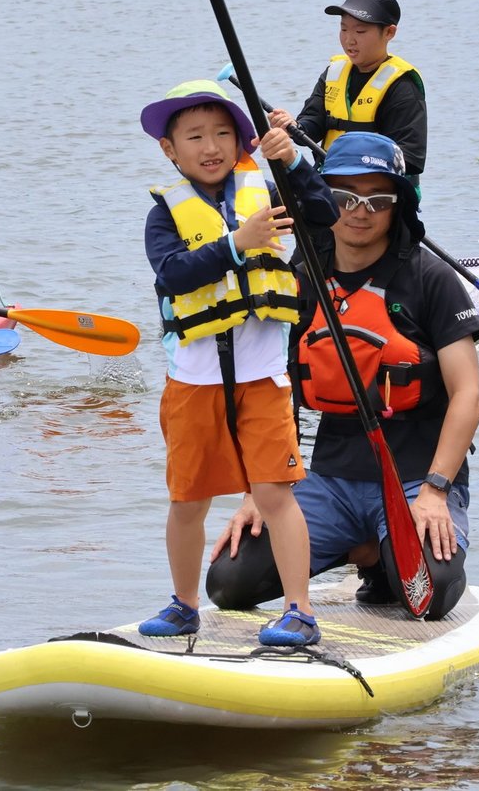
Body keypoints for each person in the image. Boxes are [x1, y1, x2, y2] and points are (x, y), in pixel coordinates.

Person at [206, 132, 479, 621]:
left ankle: (385, 560)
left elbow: (468, 394)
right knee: (229, 582)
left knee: (428, 592)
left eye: (378, 198)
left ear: (399, 205)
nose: (361, 210)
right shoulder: (299, 279)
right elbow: (273, 391)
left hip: (416, 477)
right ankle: (366, 549)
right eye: (345, 197)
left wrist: (437, 491)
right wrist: (257, 491)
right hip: (332, 480)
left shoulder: (430, 279)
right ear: (322, 200)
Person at [138, 79, 340, 646]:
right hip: (193, 380)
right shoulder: (164, 214)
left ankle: (299, 611)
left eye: (223, 134)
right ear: (170, 150)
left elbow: (324, 213)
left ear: (242, 141)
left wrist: (295, 162)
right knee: (187, 499)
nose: (211, 146)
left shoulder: (269, 190)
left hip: (262, 377)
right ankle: (183, 604)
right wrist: (235, 242)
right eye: (195, 136)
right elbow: (172, 273)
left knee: (275, 494)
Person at [267, 0, 427, 191]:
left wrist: (353, 164)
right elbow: (313, 122)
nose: (349, 39)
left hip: (381, 193)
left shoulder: (402, 85)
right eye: (344, 29)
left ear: (389, 32)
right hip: (332, 184)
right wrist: (294, 127)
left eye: (360, 31)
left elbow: (412, 158)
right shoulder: (334, 73)